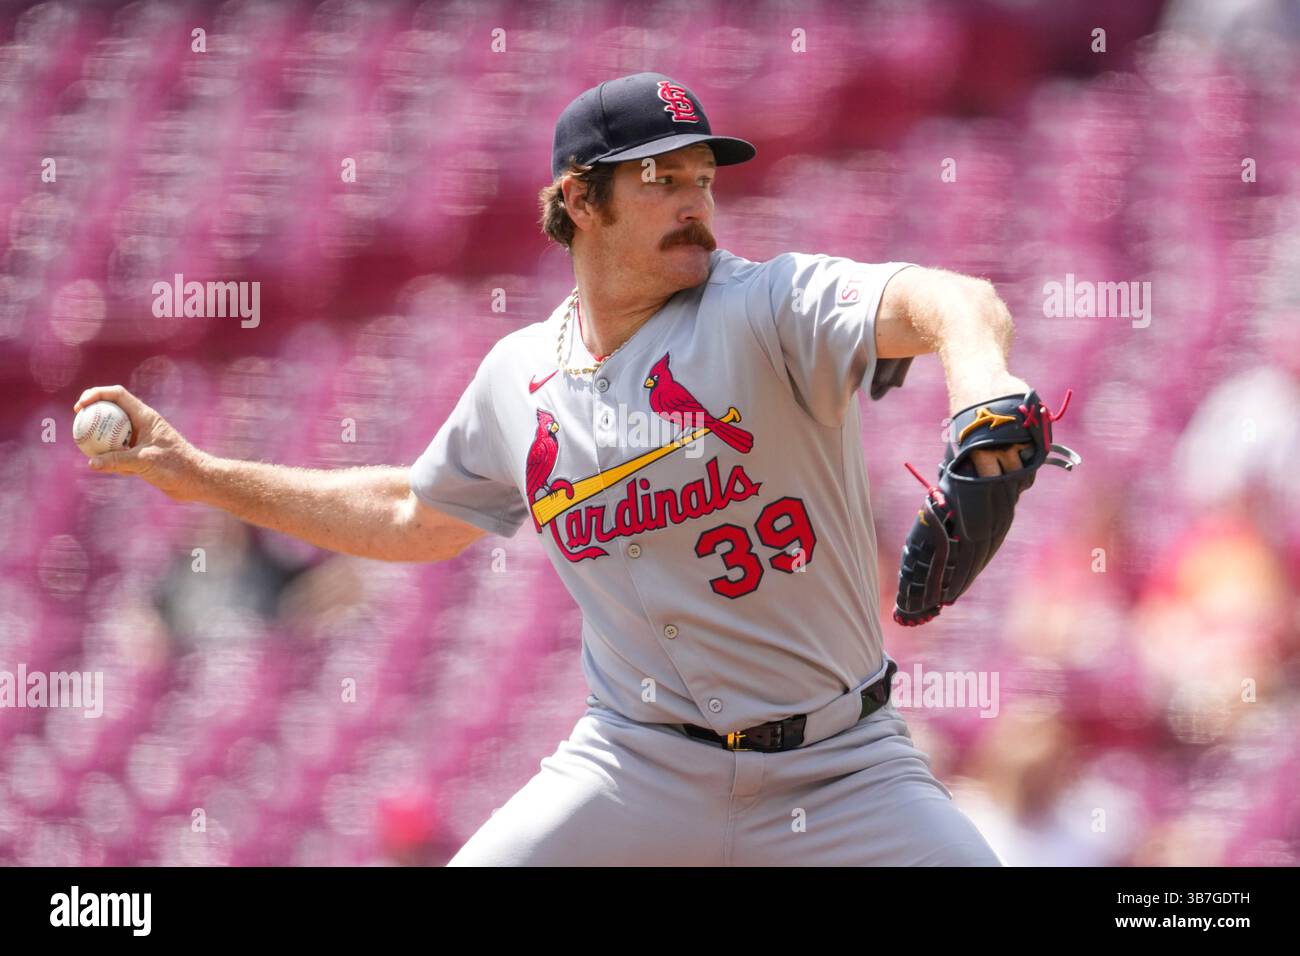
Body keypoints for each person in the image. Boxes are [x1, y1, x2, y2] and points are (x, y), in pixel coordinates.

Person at [77, 72, 1036, 866]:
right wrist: (199, 474)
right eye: (662, 179)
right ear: (580, 199)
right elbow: (415, 512)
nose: (696, 204)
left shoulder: (766, 307)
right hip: (639, 767)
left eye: (704, 178)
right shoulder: (519, 379)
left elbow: (951, 299)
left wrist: (982, 393)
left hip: (843, 768)